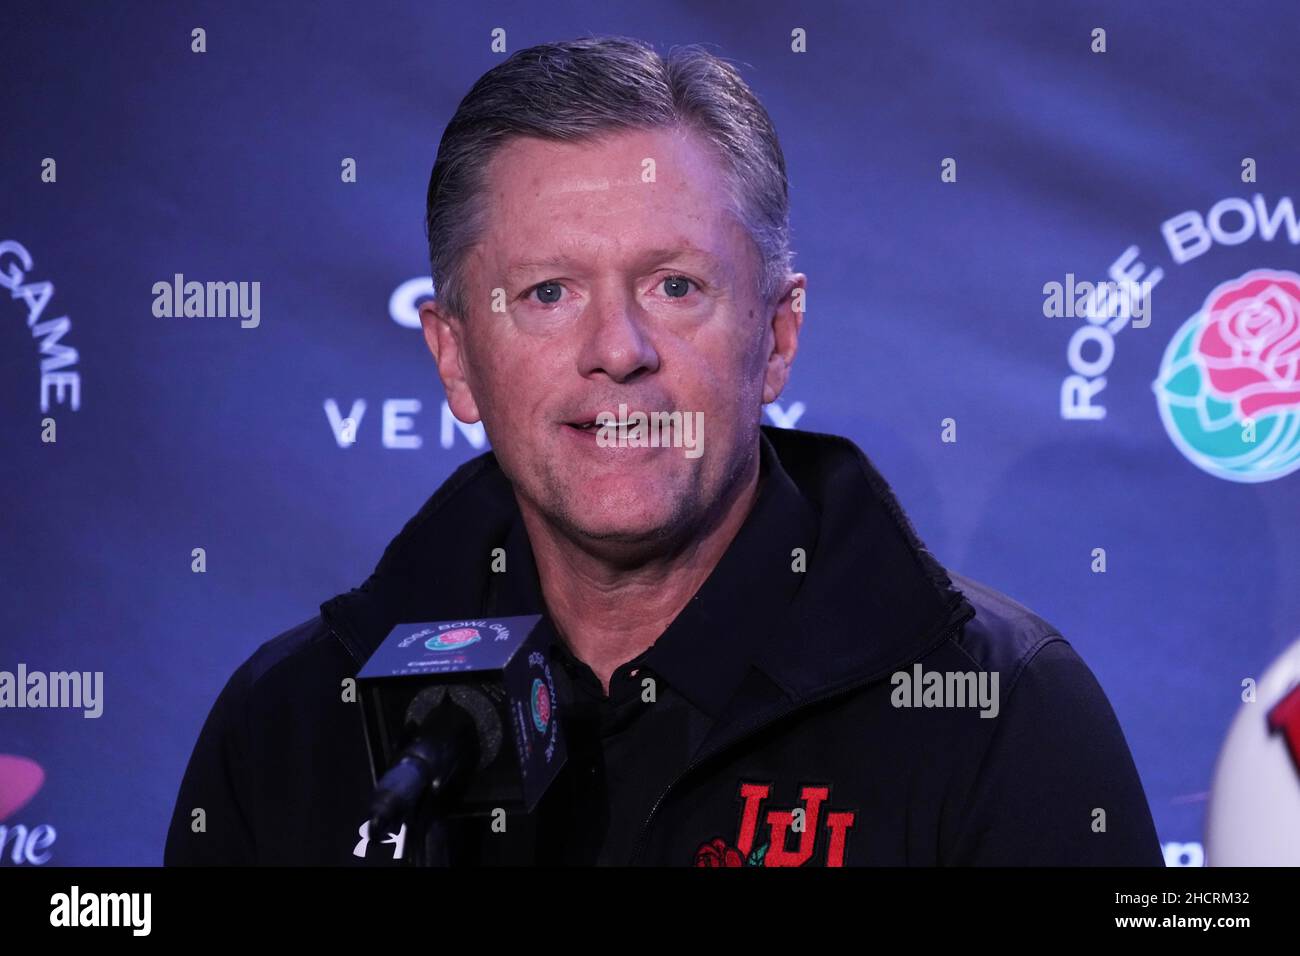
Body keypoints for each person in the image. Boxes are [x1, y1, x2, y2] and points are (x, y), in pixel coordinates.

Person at [165, 35, 1164, 866]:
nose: (617, 350)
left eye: (675, 286)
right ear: (455, 355)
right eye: (547, 292)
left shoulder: (997, 712)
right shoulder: (291, 726)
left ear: (777, 336)